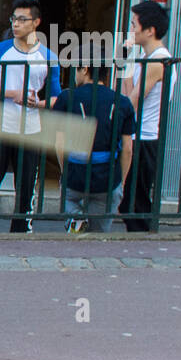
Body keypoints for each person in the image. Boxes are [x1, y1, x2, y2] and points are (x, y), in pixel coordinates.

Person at [0, 0, 61, 232]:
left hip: (30, 129)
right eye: (14, 18)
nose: (16, 24)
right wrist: (13, 93)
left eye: (23, 19)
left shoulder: (49, 58)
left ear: (36, 23)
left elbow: (56, 97)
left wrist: (39, 104)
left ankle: (20, 231)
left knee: (25, 187)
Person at [53, 61, 136, 232]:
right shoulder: (123, 102)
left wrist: (64, 171)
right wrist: (121, 182)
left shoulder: (66, 98)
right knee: (98, 235)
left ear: (84, 69)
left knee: (68, 202)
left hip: (75, 175)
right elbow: (127, 148)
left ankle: (76, 219)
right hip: (107, 179)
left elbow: (59, 143)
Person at [119, 0, 172, 231]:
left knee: (135, 202)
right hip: (139, 136)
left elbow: (133, 100)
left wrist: (115, 118)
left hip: (146, 138)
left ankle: (144, 244)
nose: (131, 29)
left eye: (134, 25)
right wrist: (126, 59)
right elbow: (129, 94)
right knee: (130, 201)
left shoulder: (157, 61)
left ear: (150, 30)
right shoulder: (147, 60)